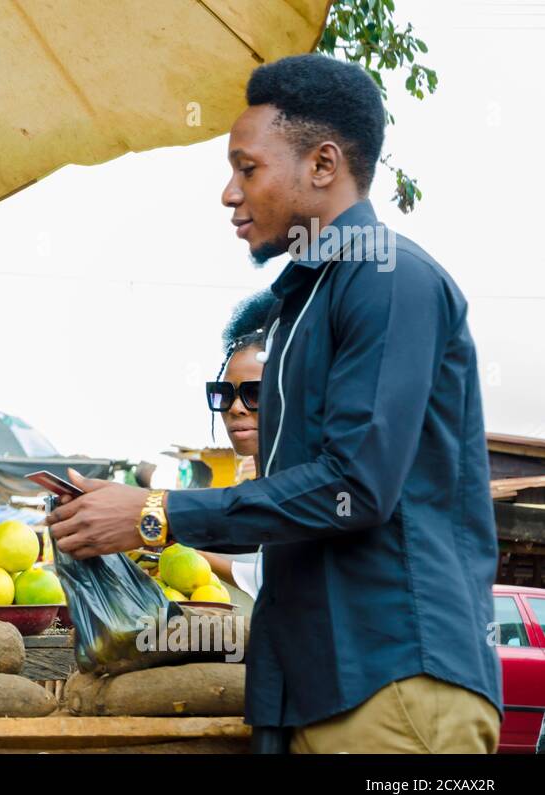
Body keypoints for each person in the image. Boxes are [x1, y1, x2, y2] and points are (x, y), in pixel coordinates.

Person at [47, 53, 501, 754]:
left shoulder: (389, 279)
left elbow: (355, 487)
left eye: (247, 168)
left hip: (395, 685)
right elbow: (291, 503)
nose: (229, 193)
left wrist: (152, 515)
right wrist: (127, 511)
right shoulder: (303, 305)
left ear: (323, 166)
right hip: (316, 687)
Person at [196, 290, 275, 600]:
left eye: (254, 394)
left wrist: (186, 555)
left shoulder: (318, 483)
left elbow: (273, 578)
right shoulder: (257, 486)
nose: (235, 408)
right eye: (223, 394)